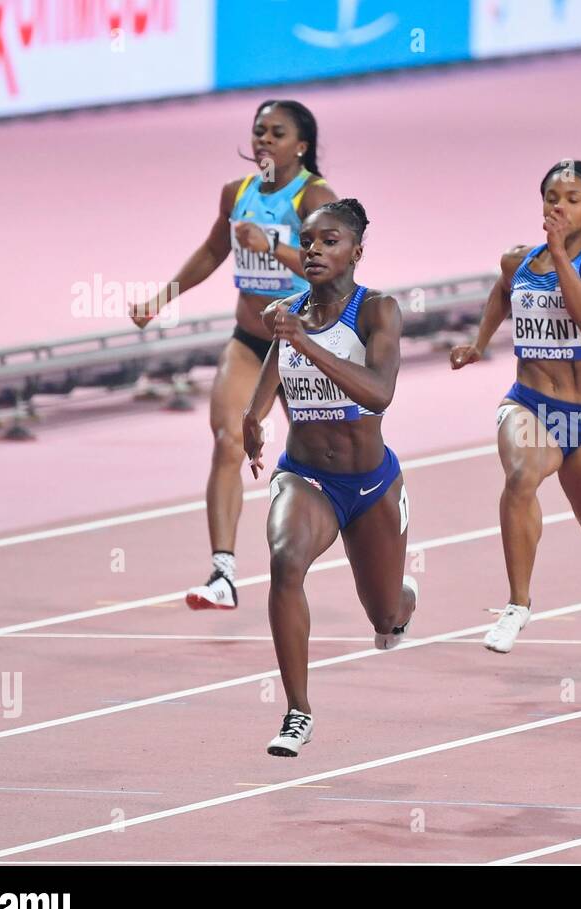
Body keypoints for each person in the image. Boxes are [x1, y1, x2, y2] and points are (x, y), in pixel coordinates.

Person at [128, 100, 337, 610]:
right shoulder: (236, 194)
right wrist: (161, 299)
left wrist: (272, 245)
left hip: (305, 345)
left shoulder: (315, 195)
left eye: (277, 132)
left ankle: (383, 560)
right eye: (259, 131)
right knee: (227, 441)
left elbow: (329, 265)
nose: (264, 139)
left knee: (328, 460)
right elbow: (210, 253)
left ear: (301, 145)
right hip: (249, 341)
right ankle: (223, 574)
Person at [242, 198, 416, 757]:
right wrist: (252, 427)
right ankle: (297, 711)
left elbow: (379, 393)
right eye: (309, 241)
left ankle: (402, 602)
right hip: (307, 478)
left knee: (384, 614)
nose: (315, 249)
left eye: (330, 241)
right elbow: (262, 396)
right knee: (285, 559)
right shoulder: (288, 315)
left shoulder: (377, 311)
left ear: (356, 253)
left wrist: (303, 342)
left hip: (369, 486)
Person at [450, 160, 581, 659]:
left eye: (572, 198)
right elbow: (501, 292)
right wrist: (479, 343)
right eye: (551, 197)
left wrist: (559, 254)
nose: (558, 206)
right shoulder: (518, 262)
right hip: (530, 403)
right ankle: (518, 604)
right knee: (522, 476)